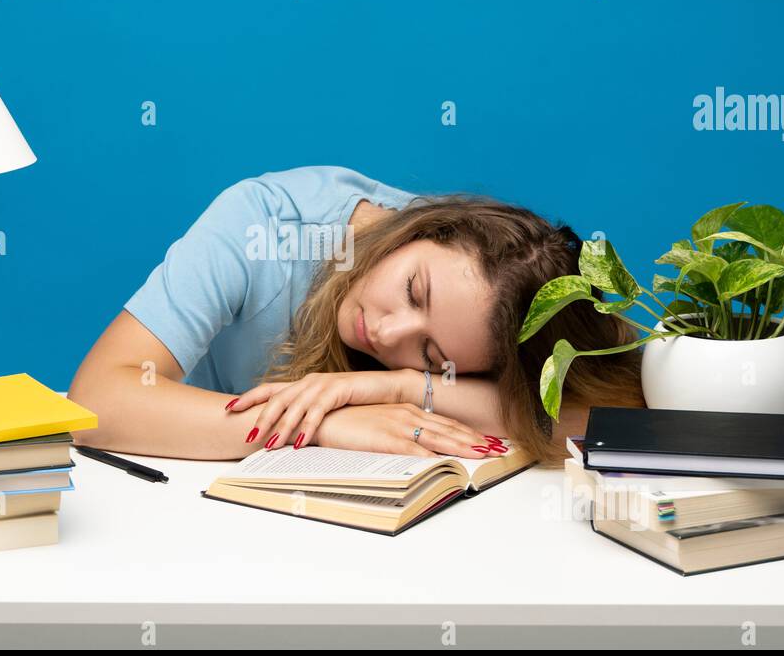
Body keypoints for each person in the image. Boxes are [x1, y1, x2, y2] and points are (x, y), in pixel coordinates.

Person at [67, 166, 643, 464]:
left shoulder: (481, 311)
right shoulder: (264, 226)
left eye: (431, 355)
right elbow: (96, 400)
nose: (388, 330)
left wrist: (393, 388)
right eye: (414, 291)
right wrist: (319, 426)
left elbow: (603, 418)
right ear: (421, 228)